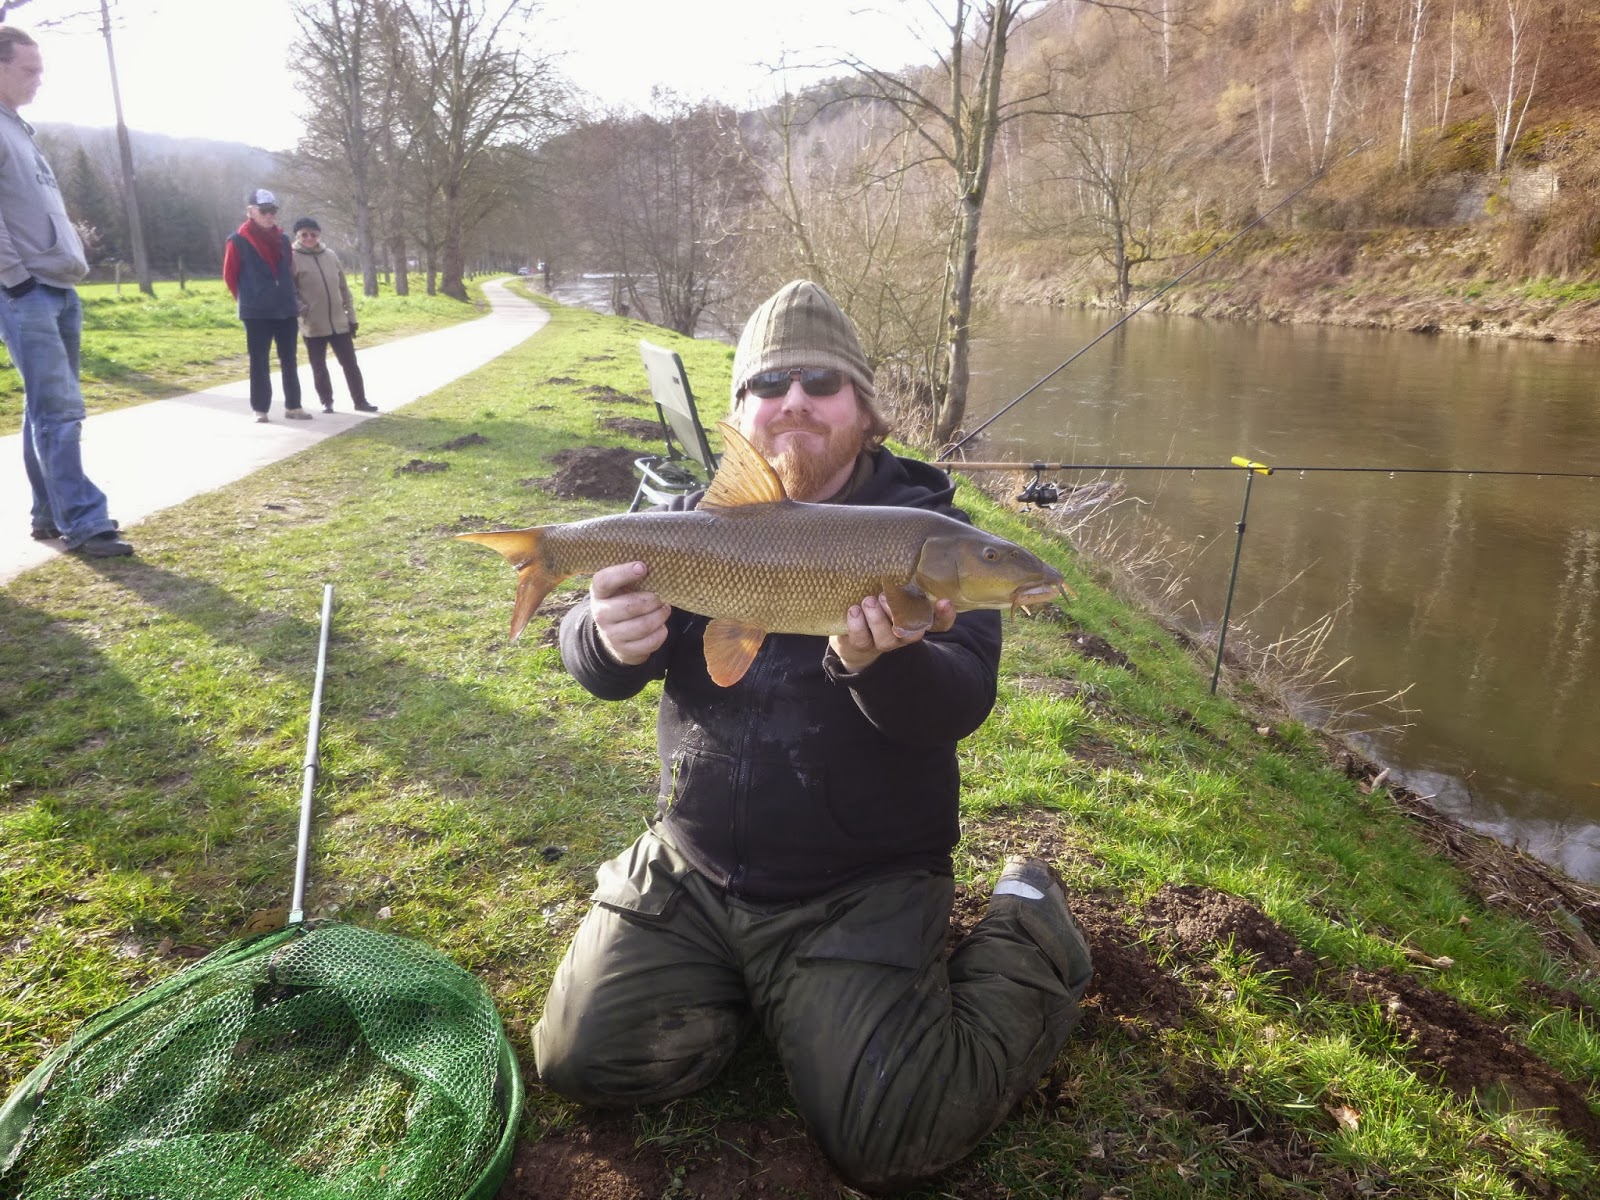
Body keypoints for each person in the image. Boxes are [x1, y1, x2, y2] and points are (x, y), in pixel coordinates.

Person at [532, 280, 1093, 1190]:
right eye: (771, 382)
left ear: (865, 411)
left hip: (858, 885)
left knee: (891, 1140)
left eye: (822, 383)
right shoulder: (692, 531)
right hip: (694, 865)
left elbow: (956, 707)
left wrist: (884, 661)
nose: (793, 399)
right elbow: (597, 663)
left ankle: (1032, 924)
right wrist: (598, 637)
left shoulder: (937, 541)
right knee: (577, 1061)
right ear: (740, 413)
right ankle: (754, 995)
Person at [0, 26, 133, 558]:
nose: (39, 79)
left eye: (40, 68)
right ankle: (86, 521)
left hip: (56, 286)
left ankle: (48, 514)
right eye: (28, 69)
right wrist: (16, 278)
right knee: (61, 410)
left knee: (43, 409)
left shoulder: (20, 130)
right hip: (25, 290)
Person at [222, 188, 306, 423]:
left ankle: (294, 406)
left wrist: (288, 297)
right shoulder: (237, 240)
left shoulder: (283, 239)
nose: (270, 216)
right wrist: (250, 299)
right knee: (259, 360)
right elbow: (230, 276)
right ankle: (260, 409)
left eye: (273, 211)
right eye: (264, 211)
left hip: (286, 308)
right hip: (256, 312)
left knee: (289, 358)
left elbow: (287, 269)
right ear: (251, 211)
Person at [289, 216, 377, 415]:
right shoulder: (292, 257)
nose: (309, 238)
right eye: (304, 234)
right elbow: (290, 290)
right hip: (313, 324)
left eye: (313, 234)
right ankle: (326, 401)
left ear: (319, 235)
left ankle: (360, 401)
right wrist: (303, 310)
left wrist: (351, 317)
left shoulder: (330, 255)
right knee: (318, 366)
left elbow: (344, 289)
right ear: (297, 236)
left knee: (350, 364)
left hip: (339, 322)